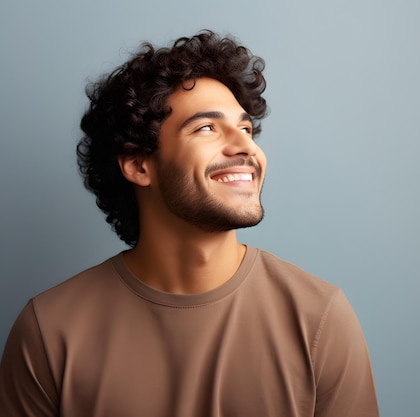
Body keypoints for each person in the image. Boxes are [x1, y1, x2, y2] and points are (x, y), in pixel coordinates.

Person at [0, 30, 379, 416]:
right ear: (138, 165)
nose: (246, 146)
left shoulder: (319, 319)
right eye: (206, 128)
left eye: (246, 129)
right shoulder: (50, 331)